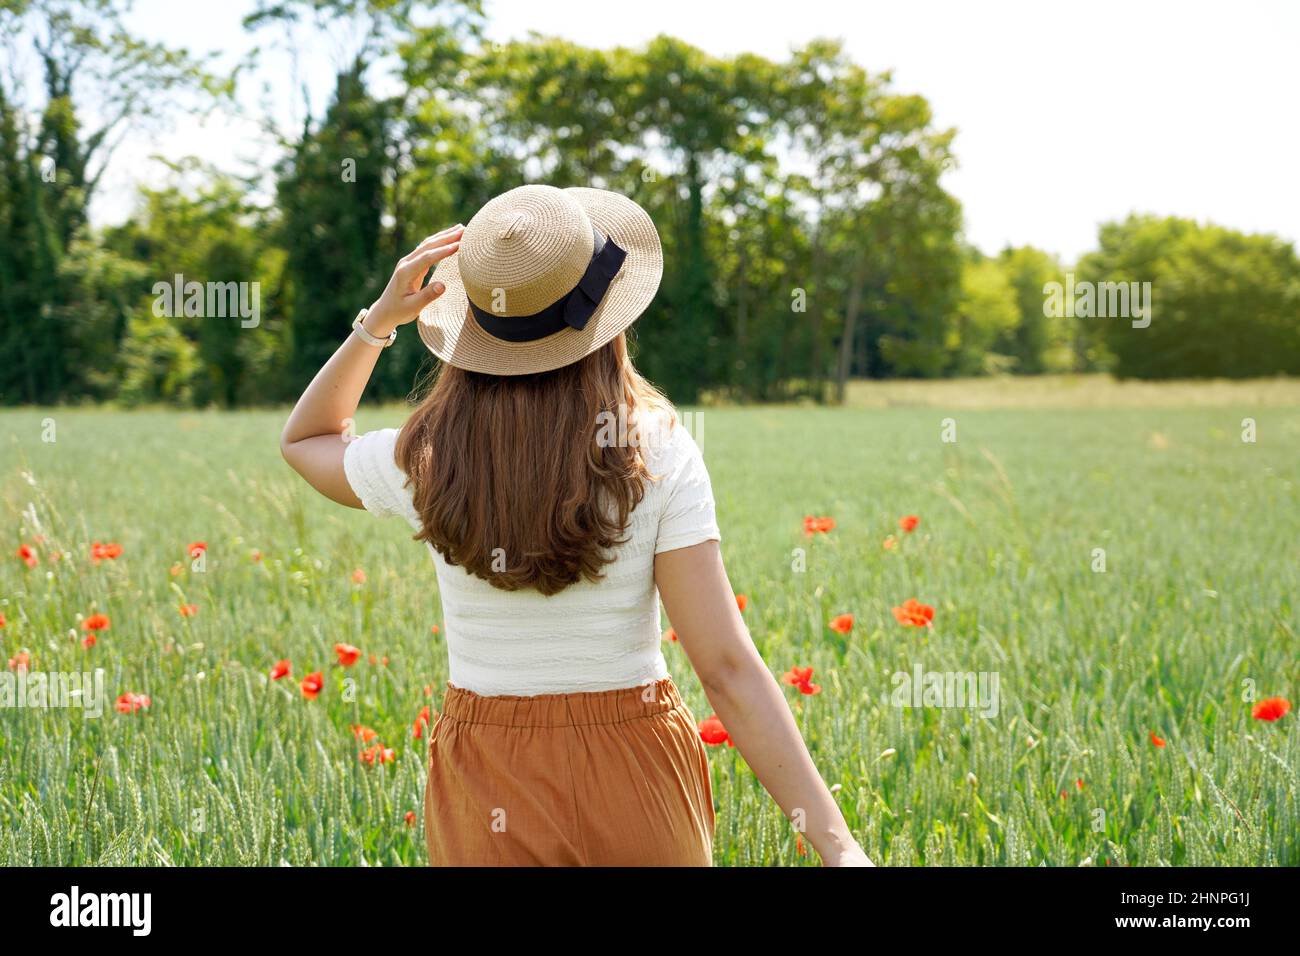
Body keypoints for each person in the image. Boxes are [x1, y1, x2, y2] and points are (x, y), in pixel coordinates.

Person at [280, 184, 871, 867]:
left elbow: (307, 440)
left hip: (485, 779)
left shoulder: (425, 458)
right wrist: (837, 844)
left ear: (474, 325)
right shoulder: (654, 450)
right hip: (635, 769)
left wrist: (378, 321)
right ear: (607, 319)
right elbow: (726, 667)